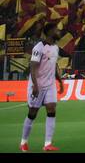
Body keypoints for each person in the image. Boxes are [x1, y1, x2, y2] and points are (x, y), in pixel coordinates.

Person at [21, 24, 62, 152]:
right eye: (56, 30)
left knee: (51, 108)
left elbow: (53, 65)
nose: (58, 32)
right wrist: (35, 86)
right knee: (32, 113)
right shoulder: (39, 47)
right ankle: (23, 142)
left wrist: (60, 81)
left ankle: (48, 143)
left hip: (50, 85)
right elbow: (33, 67)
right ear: (49, 32)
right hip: (37, 85)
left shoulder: (56, 48)